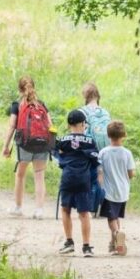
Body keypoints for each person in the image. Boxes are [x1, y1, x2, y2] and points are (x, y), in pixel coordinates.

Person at [1, 76, 52, 218]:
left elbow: (12, 126)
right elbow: (49, 124)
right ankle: (39, 210)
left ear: (20, 89)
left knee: (20, 174)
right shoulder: (41, 104)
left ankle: (18, 207)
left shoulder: (17, 105)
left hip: (24, 144)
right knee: (39, 176)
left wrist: (6, 146)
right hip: (42, 144)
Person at [55, 109, 103, 257]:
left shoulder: (63, 140)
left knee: (65, 210)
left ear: (69, 125)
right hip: (83, 180)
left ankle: (69, 242)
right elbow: (96, 161)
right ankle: (86, 246)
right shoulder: (90, 141)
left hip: (68, 179)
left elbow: (56, 155)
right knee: (84, 213)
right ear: (82, 124)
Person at [99, 120, 136, 256]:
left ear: (108, 136)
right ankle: (115, 245)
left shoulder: (103, 152)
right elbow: (131, 173)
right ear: (124, 135)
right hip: (123, 191)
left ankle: (116, 234)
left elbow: (100, 172)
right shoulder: (127, 153)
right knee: (116, 217)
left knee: (111, 218)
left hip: (109, 192)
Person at [79, 82, 112, 150]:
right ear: (98, 96)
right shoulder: (105, 112)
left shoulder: (82, 111)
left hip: (90, 150)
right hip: (106, 149)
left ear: (85, 96)